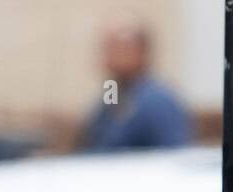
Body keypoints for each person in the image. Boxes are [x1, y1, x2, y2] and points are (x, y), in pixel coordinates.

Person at [80, 19, 192, 152]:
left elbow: (173, 155)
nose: (107, 55)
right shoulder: (112, 93)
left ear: (142, 52)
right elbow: (99, 144)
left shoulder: (159, 101)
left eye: (117, 47)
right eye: (106, 47)